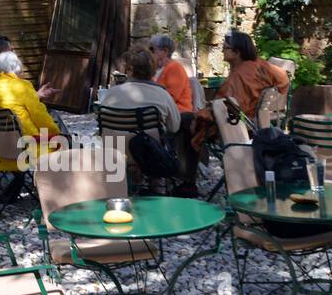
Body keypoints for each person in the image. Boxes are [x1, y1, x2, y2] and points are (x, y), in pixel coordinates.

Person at [102, 46, 196, 195]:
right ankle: (158, 189)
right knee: (159, 138)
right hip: (150, 154)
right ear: (152, 69)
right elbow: (174, 126)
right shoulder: (161, 94)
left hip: (116, 153)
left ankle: (125, 186)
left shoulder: (111, 94)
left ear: (129, 70)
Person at [0, 51, 61, 204]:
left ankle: (17, 188)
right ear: (17, 68)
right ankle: (55, 196)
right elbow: (40, 117)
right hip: (27, 149)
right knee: (64, 144)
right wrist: (56, 133)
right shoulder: (23, 86)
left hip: (3, 150)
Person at [192, 30, 290, 152]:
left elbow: (227, 106)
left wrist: (202, 113)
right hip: (251, 117)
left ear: (237, 52)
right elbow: (284, 78)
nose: (222, 51)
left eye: (225, 48)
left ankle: (190, 168)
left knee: (188, 122)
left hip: (238, 122)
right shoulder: (259, 63)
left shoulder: (240, 75)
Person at [0, 34, 58, 107]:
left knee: (50, 119)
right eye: (8, 52)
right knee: (47, 126)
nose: (11, 56)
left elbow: (7, 102)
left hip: (5, 126)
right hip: (6, 128)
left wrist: (35, 96)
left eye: (12, 51)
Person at [149, 35, 193, 114]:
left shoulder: (175, 68)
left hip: (178, 112)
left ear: (165, 51)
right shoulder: (155, 69)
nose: (149, 53)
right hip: (160, 110)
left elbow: (171, 98)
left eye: (152, 49)